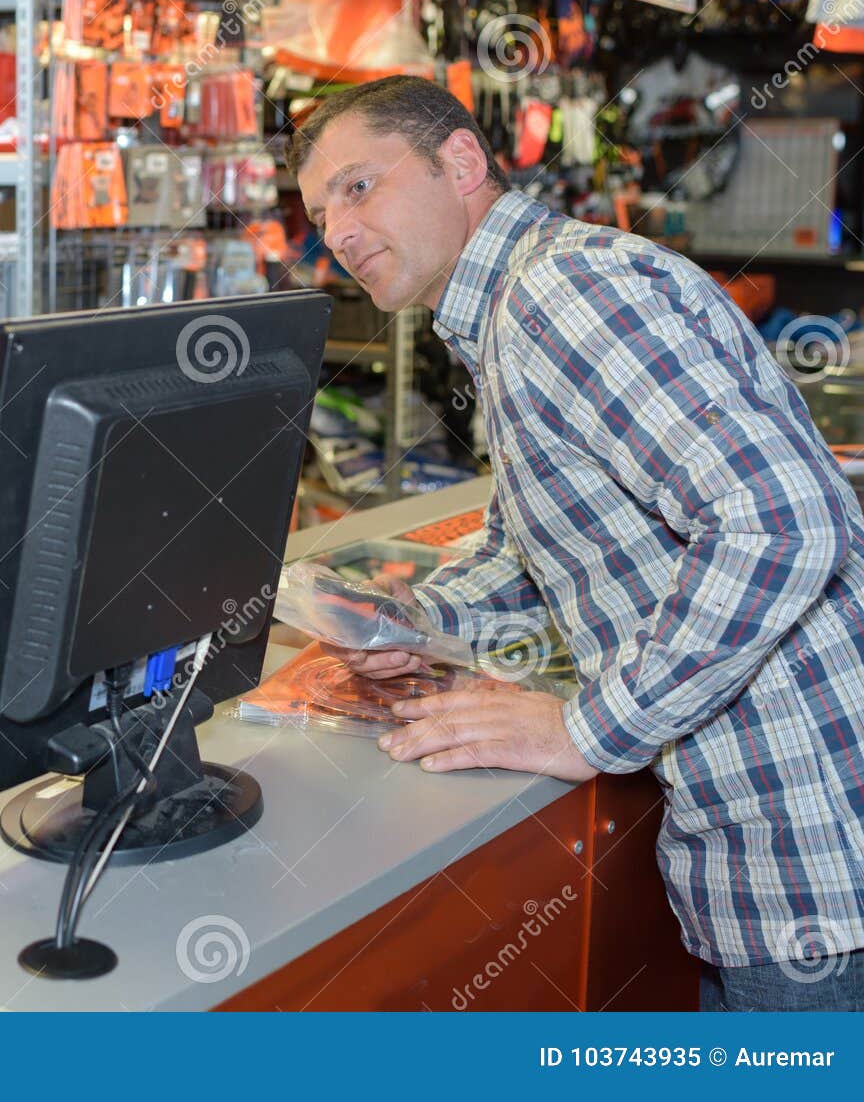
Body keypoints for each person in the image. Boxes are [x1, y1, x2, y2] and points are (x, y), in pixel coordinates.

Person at [289, 75, 864, 1010]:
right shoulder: (517, 309)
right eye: (320, 213)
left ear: (463, 160)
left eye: (359, 187)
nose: (340, 233)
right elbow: (554, 542)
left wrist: (586, 731)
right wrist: (416, 619)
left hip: (813, 865)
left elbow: (782, 518)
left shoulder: (560, 294)